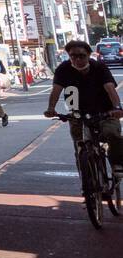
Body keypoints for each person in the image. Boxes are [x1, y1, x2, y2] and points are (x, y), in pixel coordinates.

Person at [43, 39, 123, 168]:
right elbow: (56, 90)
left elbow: (110, 89)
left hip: (103, 108)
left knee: (112, 134)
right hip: (77, 108)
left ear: (89, 55)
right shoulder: (63, 69)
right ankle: (85, 177)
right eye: (73, 56)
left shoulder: (99, 67)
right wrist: (51, 108)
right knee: (80, 144)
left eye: (82, 56)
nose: (78, 60)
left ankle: (117, 166)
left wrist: (117, 108)